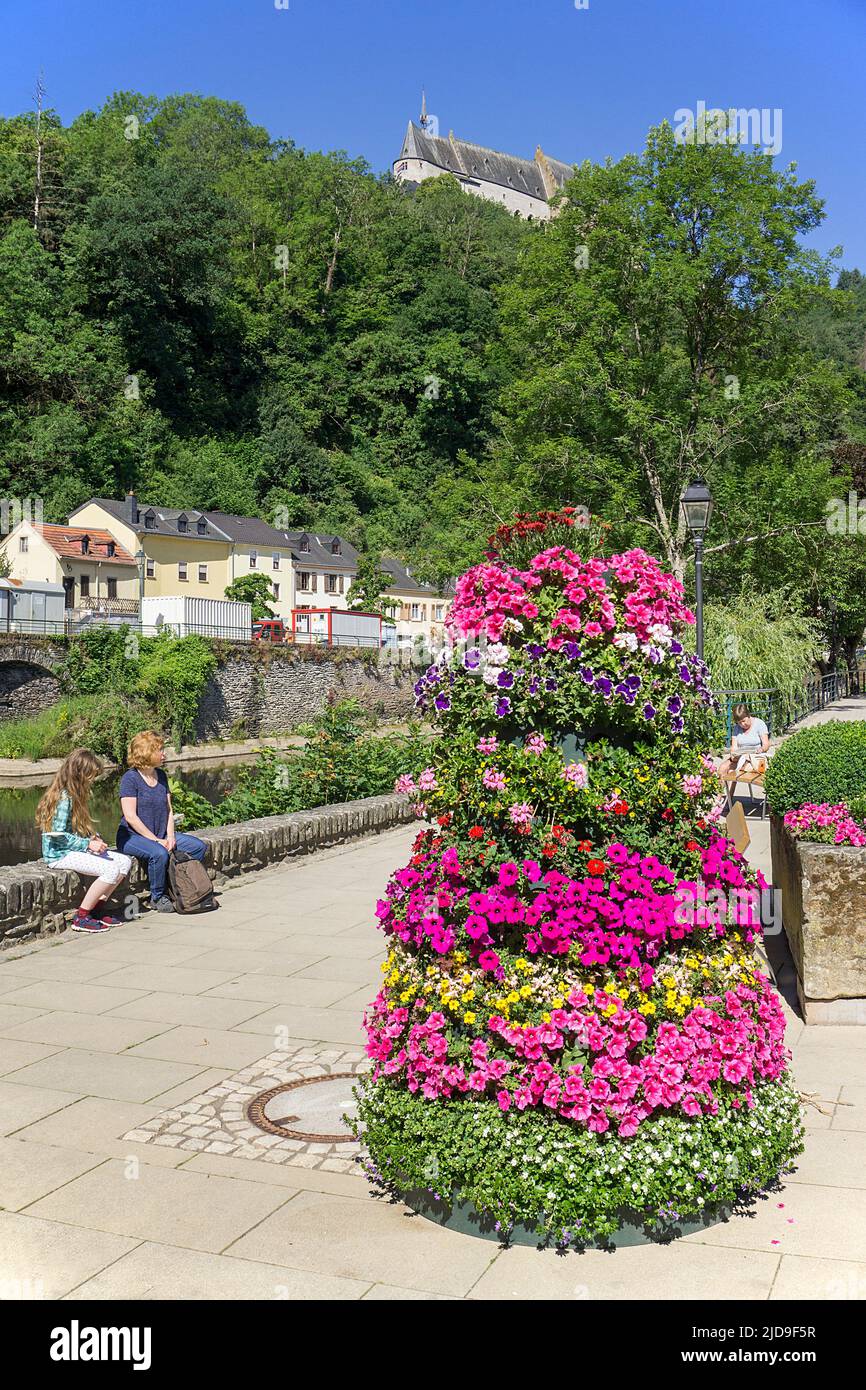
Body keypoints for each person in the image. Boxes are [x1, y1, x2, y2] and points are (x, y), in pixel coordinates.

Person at [36, 748, 132, 933]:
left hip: (71, 850)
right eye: (91, 776)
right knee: (110, 869)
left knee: (124, 861)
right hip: (58, 855)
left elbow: (71, 831)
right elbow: (57, 835)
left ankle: (96, 909)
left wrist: (90, 837)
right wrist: (87, 844)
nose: (92, 780)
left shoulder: (75, 796)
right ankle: (82, 917)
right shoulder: (64, 798)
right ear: (79, 774)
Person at [117, 730, 207, 913]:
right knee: (159, 854)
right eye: (160, 750)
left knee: (198, 847)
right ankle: (157, 897)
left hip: (161, 833)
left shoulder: (161, 775)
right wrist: (157, 840)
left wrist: (171, 836)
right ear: (147, 752)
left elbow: (168, 810)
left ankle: (177, 882)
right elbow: (131, 817)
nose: (164, 754)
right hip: (131, 837)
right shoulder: (130, 779)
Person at [717, 703, 771, 781]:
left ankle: (729, 792)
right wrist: (733, 754)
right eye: (739, 722)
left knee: (731, 771)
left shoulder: (759, 724)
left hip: (754, 758)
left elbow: (766, 744)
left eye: (744, 721)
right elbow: (734, 747)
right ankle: (721, 793)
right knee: (722, 768)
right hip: (740, 757)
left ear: (748, 715)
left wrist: (761, 749)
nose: (742, 724)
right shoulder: (737, 728)